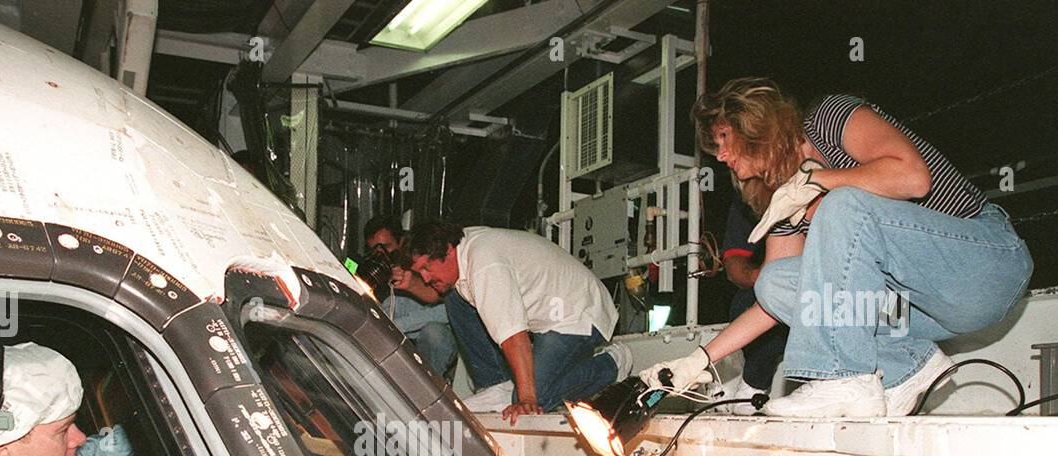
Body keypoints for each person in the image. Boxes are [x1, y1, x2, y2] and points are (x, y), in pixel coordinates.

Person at [643, 78, 1033, 417]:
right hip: (924, 309)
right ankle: (908, 369)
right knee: (774, 282)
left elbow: (914, 178)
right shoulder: (785, 197)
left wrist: (819, 182)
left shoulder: (828, 119)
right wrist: (699, 360)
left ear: (755, 122)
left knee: (844, 204)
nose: (721, 155)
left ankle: (845, 377)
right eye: (715, 149)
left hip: (986, 264)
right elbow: (773, 303)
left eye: (724, 139)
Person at [403, 222, 631, 424]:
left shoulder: (484, 264)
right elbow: (436, 294)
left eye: (426, 268)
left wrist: (527, 399)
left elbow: (514, 337)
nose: (424, 277)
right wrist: (409, 284)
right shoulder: (463, 250)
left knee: (536, 398)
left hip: (579, 314)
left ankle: (612, 363)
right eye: (418, 271)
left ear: (449, 251)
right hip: (550, 316)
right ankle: (496, 385)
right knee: (454, 297)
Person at [363, 216, 459, 379]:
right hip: (410, 336)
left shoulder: (424, 262)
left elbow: (445, 310)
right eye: (375, 250)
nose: (381, 254)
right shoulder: (391, 274)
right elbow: (393, 307)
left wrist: (395, 326)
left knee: (433, 333)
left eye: (386, 246)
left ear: (401, 241)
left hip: (441, 335)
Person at [719, 197, 788, 413]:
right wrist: (697, 360)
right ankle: (752, 384)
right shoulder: (752, 197)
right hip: (795, 286)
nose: (723, 160)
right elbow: (736, 268)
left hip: (846, 286)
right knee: (747, 301)